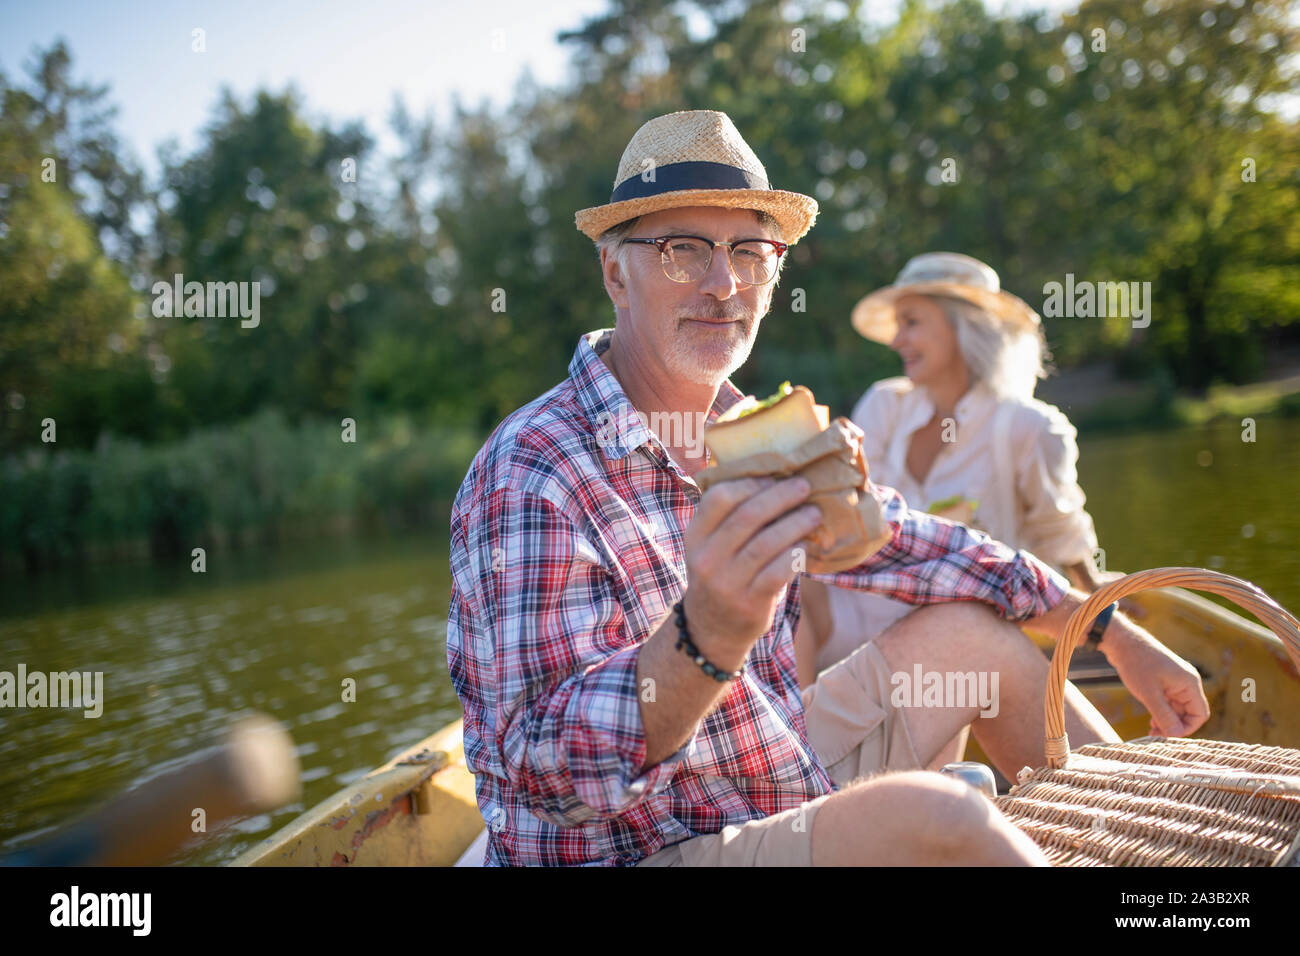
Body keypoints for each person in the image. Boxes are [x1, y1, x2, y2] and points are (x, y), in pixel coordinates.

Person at [445, 110, 1209, 867]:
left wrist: (1110, 630)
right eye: (683, 250)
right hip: (640, 849)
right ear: (616, 271)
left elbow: (921, 547)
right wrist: (706, 634)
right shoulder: (532, 467)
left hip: (763, 776)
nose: (724, 284)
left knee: (973, 636)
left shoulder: (758, 430)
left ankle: (1165, 865)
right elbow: (549, 778)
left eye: (750, 251)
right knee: (942, 815)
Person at [796, 255, 1118, 717]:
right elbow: (853, 512)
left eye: (911, 322)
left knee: (955, 626)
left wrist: (1098, 602)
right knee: (792, 575)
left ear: (962, 327)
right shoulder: (885, 405)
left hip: (963, 629)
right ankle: (797, 736)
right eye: (897, 325)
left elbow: (1060, 533)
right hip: (861, 616)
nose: (897, 339)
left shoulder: (1029, 428)